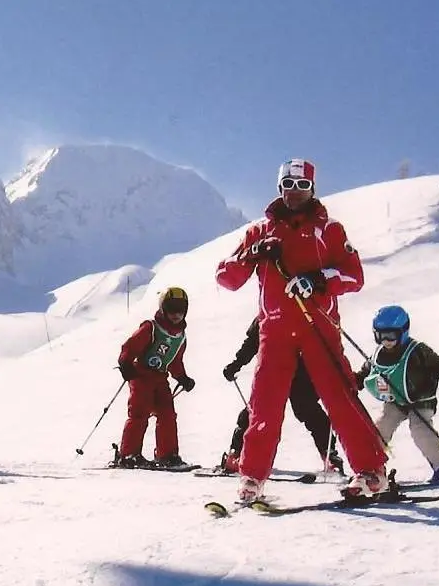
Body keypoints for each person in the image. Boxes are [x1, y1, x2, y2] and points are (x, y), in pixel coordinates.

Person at [216, 158, 388, 503]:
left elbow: (355, 275)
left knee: (339, 396)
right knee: (264, 403)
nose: (295, 193)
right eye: (289, 186)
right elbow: (226, 277)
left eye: (302, 186)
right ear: (279, 188)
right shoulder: (260, 231)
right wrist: (252, 253)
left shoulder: (330, 230)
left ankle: (371, 471)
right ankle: (252, 476)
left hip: (317, 326)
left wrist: (318, 280)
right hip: (275, 330)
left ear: (312, 189)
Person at [360, 305, 439, 484]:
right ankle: (371, 469)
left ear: (403, 331)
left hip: (420, 400)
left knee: (420, 431)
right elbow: (366, 371)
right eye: (380, 336)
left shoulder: (417, 350)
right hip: (395, 402)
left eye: (390, 335)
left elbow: (437, 364)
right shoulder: (377, 354)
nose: (386, 341)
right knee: (379, 430)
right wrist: (355, 381)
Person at [218, 317, 344, 475]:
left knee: (307, 410)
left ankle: (329, 455)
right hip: (274, 371)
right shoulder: (268, 313)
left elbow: (322, 343)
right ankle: (236, 453)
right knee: (258, 413)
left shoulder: (305, 313)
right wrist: (236, 364)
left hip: (301, 373)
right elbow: (252, 342)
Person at [113, 287, 195, 469]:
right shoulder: (151, 327)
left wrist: (182, 378)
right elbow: (130, 346)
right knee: (139, 414)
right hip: (140, 375)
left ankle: (167, 454)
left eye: (180, 309)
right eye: (172, 308)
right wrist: (125, 363)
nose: (176, 314)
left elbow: (175, 361)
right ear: (163, 308)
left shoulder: (180, 337)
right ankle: (129, 454)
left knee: (167, 415)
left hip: (160, 379)